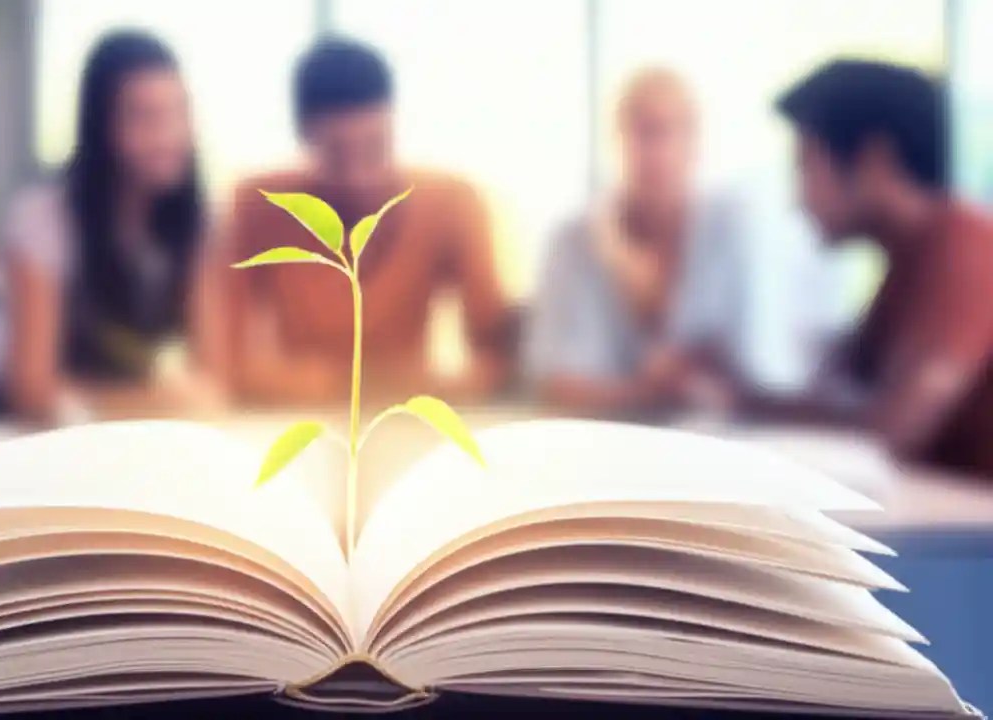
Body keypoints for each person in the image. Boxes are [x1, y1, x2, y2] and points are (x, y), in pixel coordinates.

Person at [206, 37, 510, 407]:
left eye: (375, 148)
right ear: (304, 138)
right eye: (335, 154)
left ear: (394, 126)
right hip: (301, 420)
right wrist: (400, 382)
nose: (358, 177)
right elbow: (223, 366)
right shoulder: (259, 204)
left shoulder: (451, 204)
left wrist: (330, 381)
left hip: (403, 422)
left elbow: (497, 363)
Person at [771, 59, 993, 476]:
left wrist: (743, 408)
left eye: (805, 164)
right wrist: (737, 400)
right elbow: (834, 398)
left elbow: (888, 437)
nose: (797, 199)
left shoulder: (970, 249)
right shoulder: (906, 264)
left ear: (875, 160)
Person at [5, 32, 218, 424]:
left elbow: (214, 377)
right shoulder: (45, 217)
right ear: (100, 125)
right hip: (57, 438)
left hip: (140, 434)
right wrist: (151, 402)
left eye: (179, 114)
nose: (169, 137)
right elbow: (30, 390)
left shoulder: (196, 220)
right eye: (146, 118)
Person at [524, 69, 745, 419]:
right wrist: (654, 391)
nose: (656, 152)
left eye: (670, 132)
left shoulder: (731, 232)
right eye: (642, 133)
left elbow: (750, 377)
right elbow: (555, 386)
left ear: (696, 143)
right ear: (618, 141)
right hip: (603, 445)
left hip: (717, 448)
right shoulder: (572, 241)